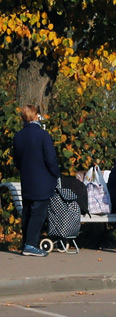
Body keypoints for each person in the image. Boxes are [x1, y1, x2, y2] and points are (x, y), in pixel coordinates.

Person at [12, 105, 58, 256]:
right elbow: (50, 159)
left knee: (27, 212)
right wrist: (55, 173)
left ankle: (26, 242)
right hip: (42, 180)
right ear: (35, 116)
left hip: (27, 180)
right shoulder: (43, 135)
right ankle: (31, 244)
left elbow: (17, 161)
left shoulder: (18, 136)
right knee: (38, 213)